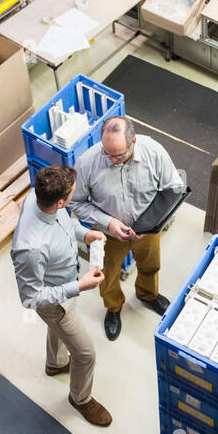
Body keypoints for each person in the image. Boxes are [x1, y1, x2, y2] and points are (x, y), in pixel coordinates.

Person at [11, 163, 112, 427]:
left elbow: (65, 223)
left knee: (58, 330)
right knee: (86, 354)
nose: (73, 199)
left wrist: (86, 234)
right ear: (59, 201)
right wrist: (78, 286)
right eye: (70, 196)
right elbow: (30, 297)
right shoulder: (31, 249)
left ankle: (55, 364)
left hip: (64, 282)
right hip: (56, 301)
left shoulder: (37, 197)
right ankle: (80, 399)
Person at [71, 116, 185, 342]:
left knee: (151, 264)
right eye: (107, 153)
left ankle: (148, 294)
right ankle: (113, 308)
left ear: (133, 143)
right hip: (106, 235)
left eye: (119, 155)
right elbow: (76, 202)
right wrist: (108, 222)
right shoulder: (88, 163)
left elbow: (174, 188)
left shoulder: (154, 152)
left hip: (147, 229)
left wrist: (151, 222)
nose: (112, 160)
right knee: (107, 276)